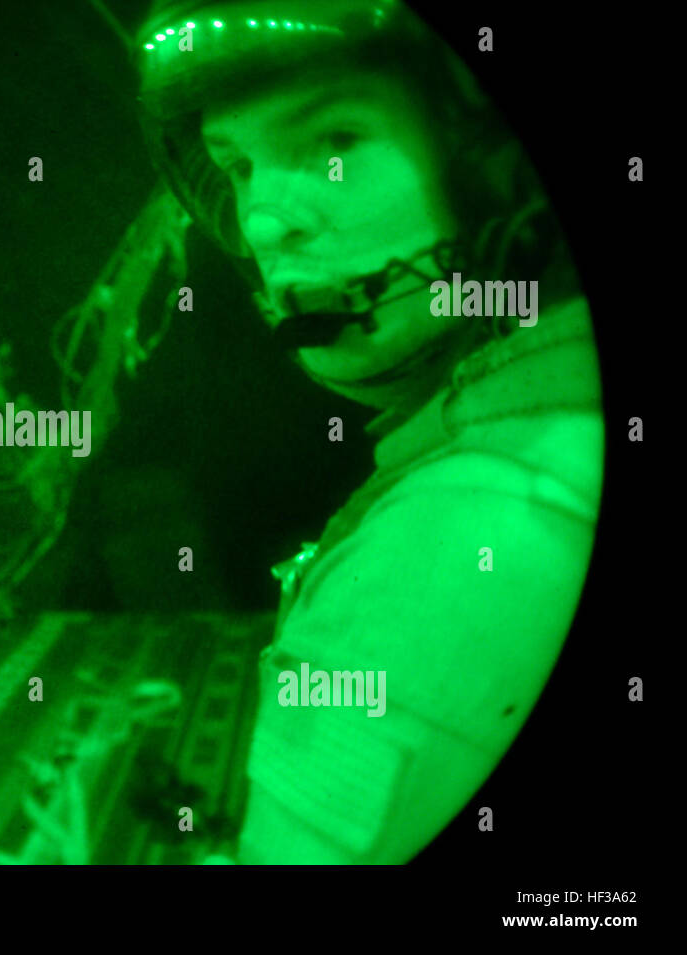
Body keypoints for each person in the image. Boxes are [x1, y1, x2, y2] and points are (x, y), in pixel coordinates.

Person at [134, 0, 603, 862]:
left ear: (498, 171)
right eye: (238, 167)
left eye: (335, 143)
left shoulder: (442, 552)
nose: (265, 222)